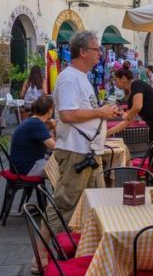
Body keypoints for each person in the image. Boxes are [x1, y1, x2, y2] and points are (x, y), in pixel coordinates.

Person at [48, 30, 120, 234]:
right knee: (65, 204)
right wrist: (100, 111)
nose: (100, 53)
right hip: (76, 151)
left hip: (88, 152)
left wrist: (104, 112)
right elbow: (67, 115)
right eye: (96, 49)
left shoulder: (81, 77)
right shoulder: (70, 78)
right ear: (82, 52)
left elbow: (82, 110)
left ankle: (89, 248)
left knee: (97, 202)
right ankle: (44, 256)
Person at [9, 95, 56, 176]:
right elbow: (55, 146)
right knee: (62, 168)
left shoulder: (32, 121)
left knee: (54, 160)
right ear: (50, 110)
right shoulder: (37, 124)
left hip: (19, 165)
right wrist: (55, 126)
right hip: (27, 168)